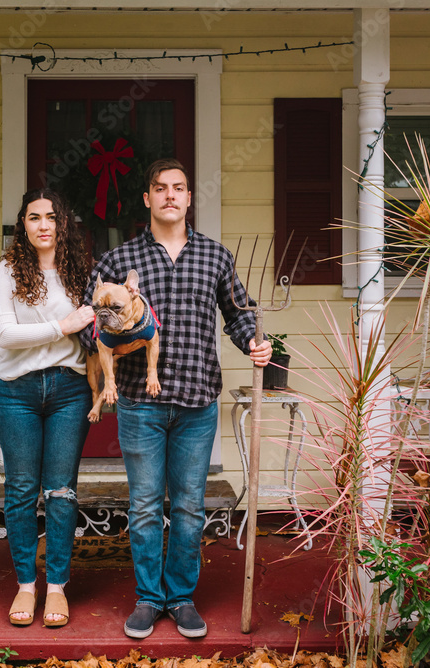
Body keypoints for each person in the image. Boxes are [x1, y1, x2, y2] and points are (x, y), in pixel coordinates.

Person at [79, 158, 272, 639]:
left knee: (188, 506)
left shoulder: (215, 257)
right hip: (138, 402)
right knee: (145, 504)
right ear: (147, 199)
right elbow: (88, 326)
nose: (169, 195)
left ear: (189, 198)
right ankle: (149, 598)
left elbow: (237, 312)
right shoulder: (116, 262)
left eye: (178, 188)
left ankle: (181, 597)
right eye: (160, 188)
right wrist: (114, 340)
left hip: (197, 399)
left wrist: (254, 342)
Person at [0, 188, 95, 628]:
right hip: (17, 393)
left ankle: (57, 587)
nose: (44, 225)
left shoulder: (81, 273)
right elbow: (5, 335)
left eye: (52, 217)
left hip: (70, 390)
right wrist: (63, 326)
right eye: (35, 218)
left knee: (61, 490)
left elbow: (102, 322)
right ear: (23, 225)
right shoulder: (6, 272)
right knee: (20, 489)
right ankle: (25, 585)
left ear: (63, 224)